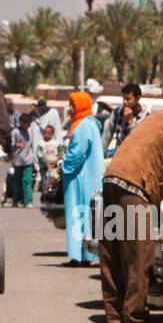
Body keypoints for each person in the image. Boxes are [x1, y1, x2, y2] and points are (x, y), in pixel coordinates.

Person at [98, 102, 163, 323]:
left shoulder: (160, 117)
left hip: (112, 181)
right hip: (134, 186)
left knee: (113, 258)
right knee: (139, 259)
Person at [60, 90, 104, 267]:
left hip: (80, 178)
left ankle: (79, 255)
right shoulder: (87, 123)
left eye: (73, 105)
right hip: (88, 178)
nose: (69, 109)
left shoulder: (82, 126)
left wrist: (63, 164)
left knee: (78, 213)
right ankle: (85, 255)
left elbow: (77, 154)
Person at [101, 82, 147, 154]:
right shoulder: (117, 113)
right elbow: (106, 136)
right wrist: (101, 155)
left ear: (138, 98)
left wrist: (130, 121)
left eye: (128, 99)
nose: (125, 102)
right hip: (120, 155)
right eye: (124, 98)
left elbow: (139, 140)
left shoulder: (146, 117)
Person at [8, 114, 35, 207]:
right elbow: (11, 144)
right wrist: (16, 145)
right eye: (27, 124)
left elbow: (32, 145)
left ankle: (28, 201)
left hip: (28, 160)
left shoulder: (30, 131)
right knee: (17, 182)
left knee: (28, 181)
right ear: (22, 123)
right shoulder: (15, 132)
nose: (29, 126)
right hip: (18, 160)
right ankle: (15, 201)